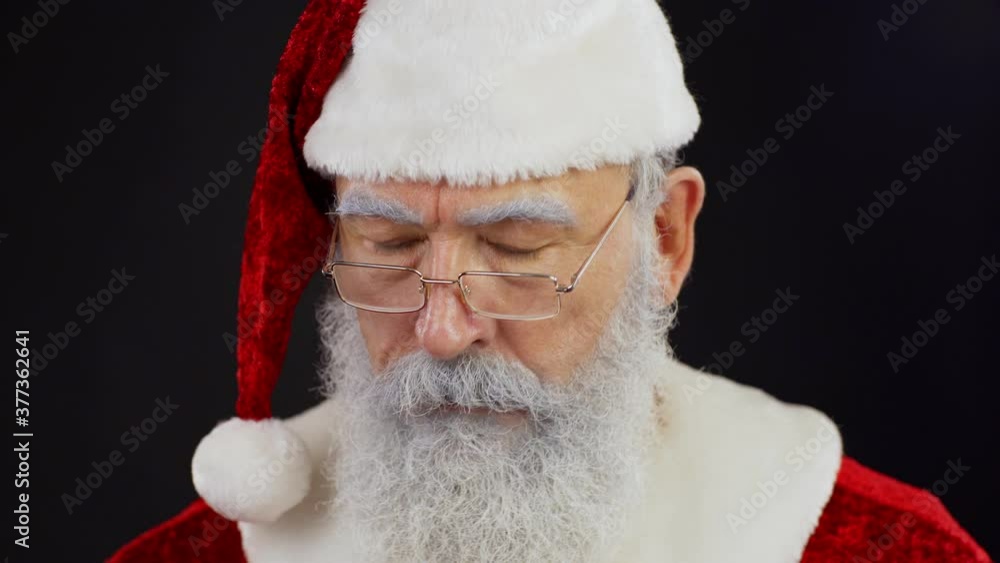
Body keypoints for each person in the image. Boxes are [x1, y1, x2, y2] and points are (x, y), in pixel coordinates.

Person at [112, 0, 990, 561]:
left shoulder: (879, 548)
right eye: (387, 242)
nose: (443, 331)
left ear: (664, 237)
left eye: (520, 247)